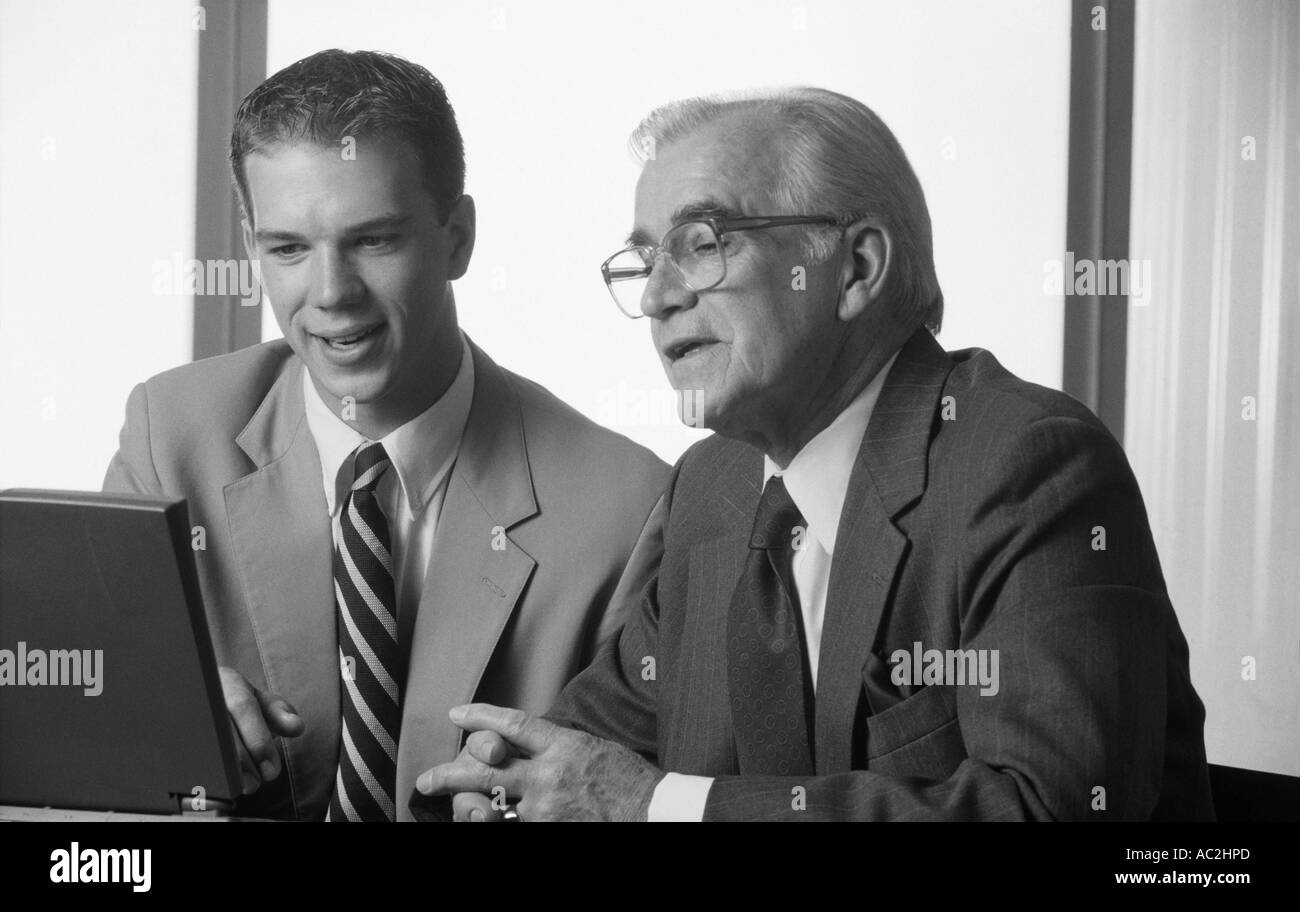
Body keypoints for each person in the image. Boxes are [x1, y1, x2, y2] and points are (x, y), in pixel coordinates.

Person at [418, 87, 1215, 821]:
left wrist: (660, 810)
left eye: (700, 244)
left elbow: (1053, 810)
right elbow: (593, 745)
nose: (658, 297)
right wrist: (496, 777)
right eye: (647, 259)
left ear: (856, 268)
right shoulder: (715, 484)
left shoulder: (1028, 466)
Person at [103, 49, 669, 821]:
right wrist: (161, 723)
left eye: (373, 240)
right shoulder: (168, 434)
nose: (331, 294)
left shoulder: (626, 507)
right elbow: (92, 728)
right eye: (289, 248)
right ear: (252, 250)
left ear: (459, 237)